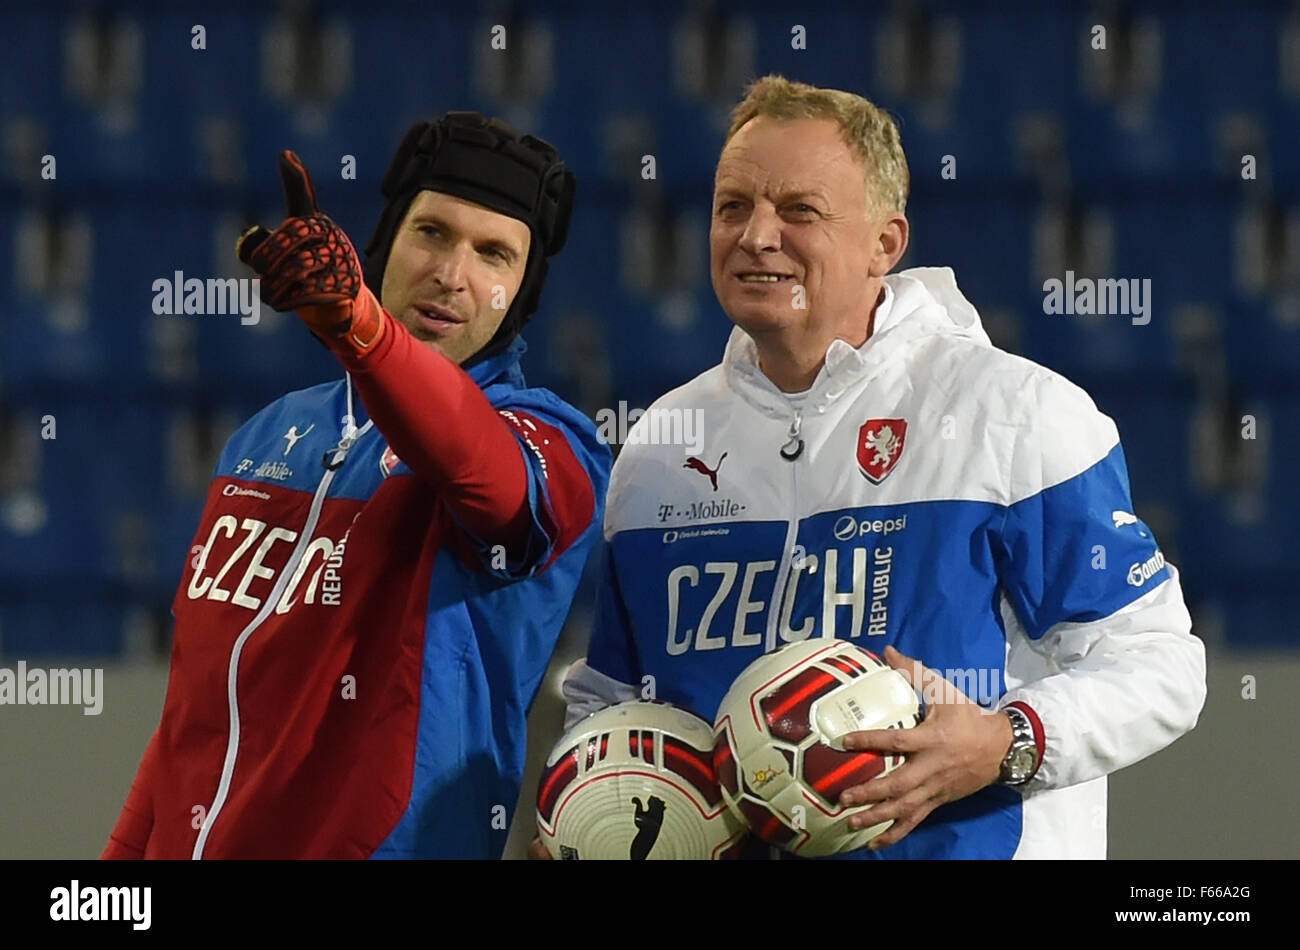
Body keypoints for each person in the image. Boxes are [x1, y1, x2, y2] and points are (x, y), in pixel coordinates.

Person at [558, 76, 1206, 859]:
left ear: (885, 243)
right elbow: (619, 702)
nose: (757, 235)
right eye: (734, 206)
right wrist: (585, 819)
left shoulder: (1013, 417)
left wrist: (1007, 742)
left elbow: (1162, 665)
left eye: (799, 210)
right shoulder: (663, 446)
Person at [102, 112, 612, 859]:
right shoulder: (264, 435)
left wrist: (362, 328)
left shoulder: (553, 443)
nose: (452, 272)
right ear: (385, 245)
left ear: (521, 293)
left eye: (493, 253)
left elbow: (485, 477)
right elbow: (195, 714)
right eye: (431, 232)